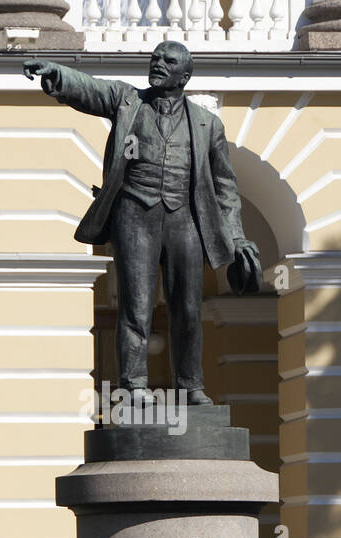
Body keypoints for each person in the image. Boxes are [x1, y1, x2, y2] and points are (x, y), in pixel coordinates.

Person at [24, 42, 261, 405]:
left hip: (185, 220)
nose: (158, 64)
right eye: (155, 59)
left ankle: (190, 386)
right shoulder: (127, 100)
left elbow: (225, 187)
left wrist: (237, 236)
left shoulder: (207, 123)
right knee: (136, 305)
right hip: (135, 214)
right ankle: (133, 385)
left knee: (188, 308)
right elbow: (91, 89)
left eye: (168, 61)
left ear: (185, 76)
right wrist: (56, 73)